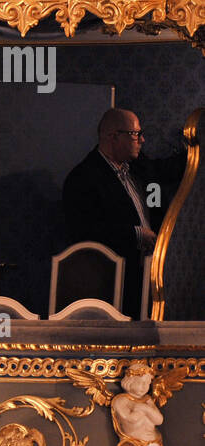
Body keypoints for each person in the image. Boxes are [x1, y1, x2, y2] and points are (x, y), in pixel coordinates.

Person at [62, 108, 167, 317]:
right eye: (135, 134)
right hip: (109, 287)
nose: (142, 140)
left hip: (146, 279)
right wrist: (137, 234)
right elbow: (85, 232)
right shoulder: (83, 178)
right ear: (114, 137)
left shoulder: (138, 169)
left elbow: (163, 174)